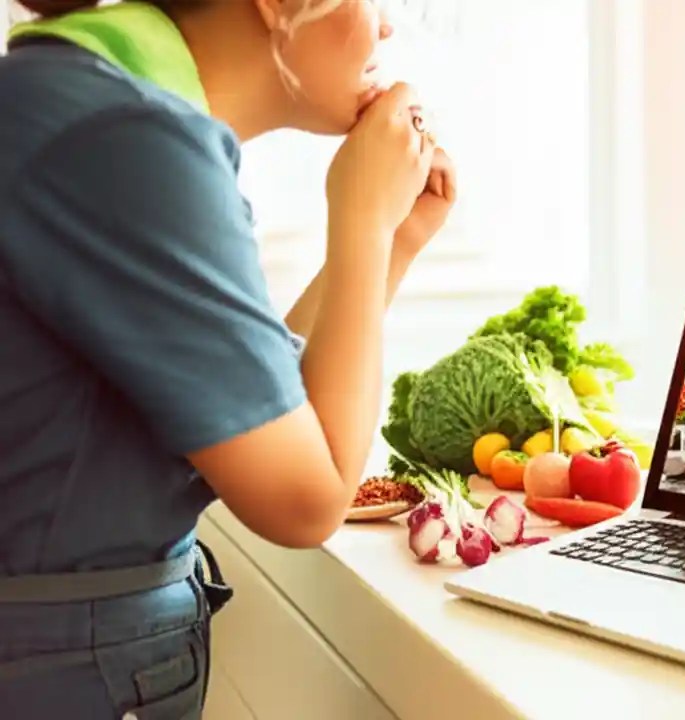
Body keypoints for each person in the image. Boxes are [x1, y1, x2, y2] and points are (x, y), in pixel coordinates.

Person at [0, 0, 453, 716]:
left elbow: (268, 406)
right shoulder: (125, 137)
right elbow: (307, 500)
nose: (389, 26)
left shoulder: (94, 100)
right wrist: (362, 222)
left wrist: (388, 243)